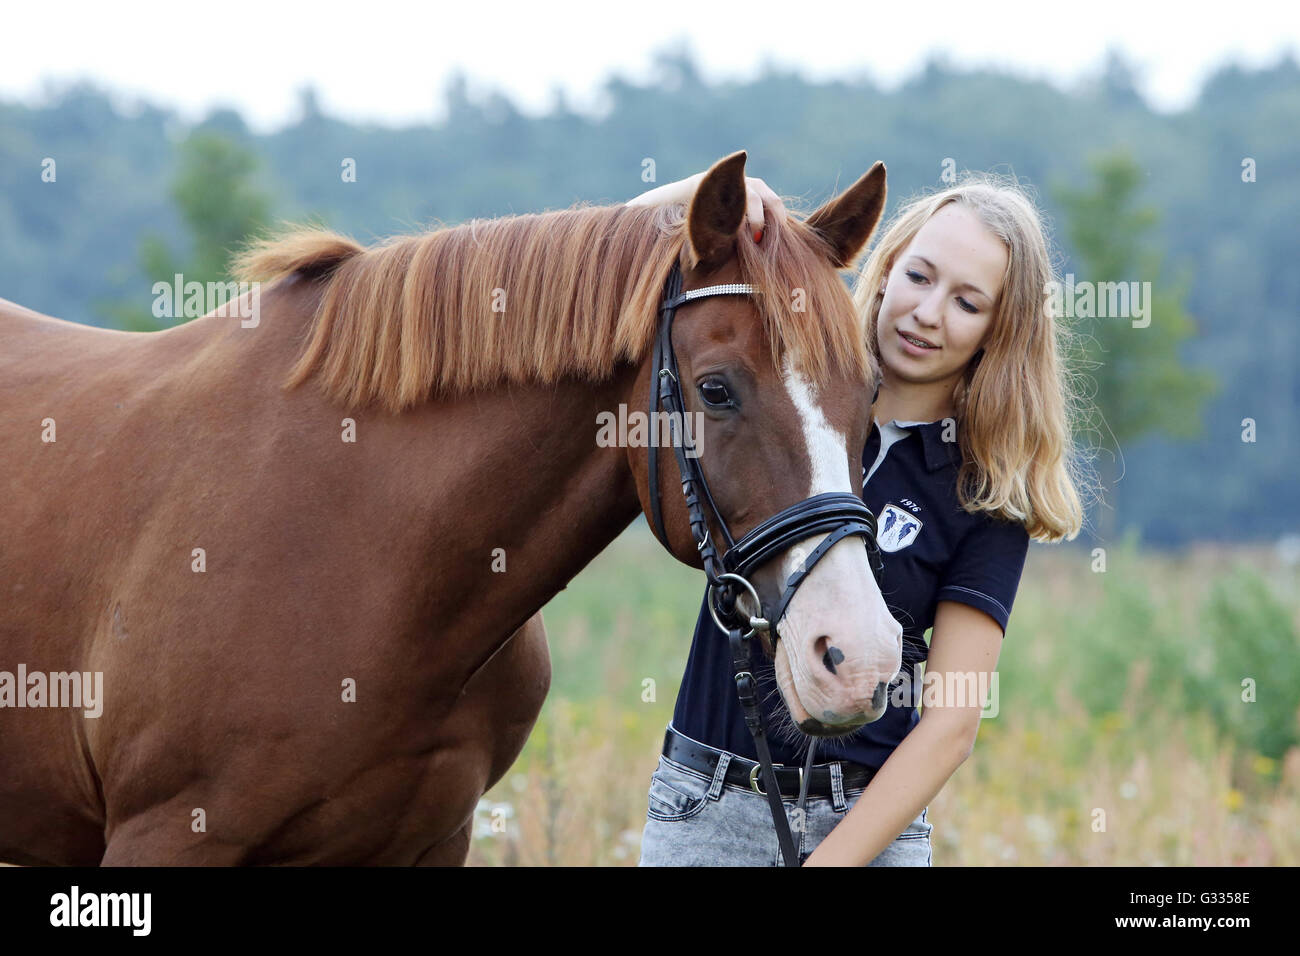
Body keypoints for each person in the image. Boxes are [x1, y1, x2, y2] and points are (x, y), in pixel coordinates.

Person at [627, 166, 1091, 866]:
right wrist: (694, 192)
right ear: (889, 264)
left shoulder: (985, 492)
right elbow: (598, 250)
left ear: (1002, 329)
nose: (929, 313)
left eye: (968, 302)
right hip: (706, 806)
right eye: (920, 276)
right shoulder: (791, 407)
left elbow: (952, 723)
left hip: (871, 827)